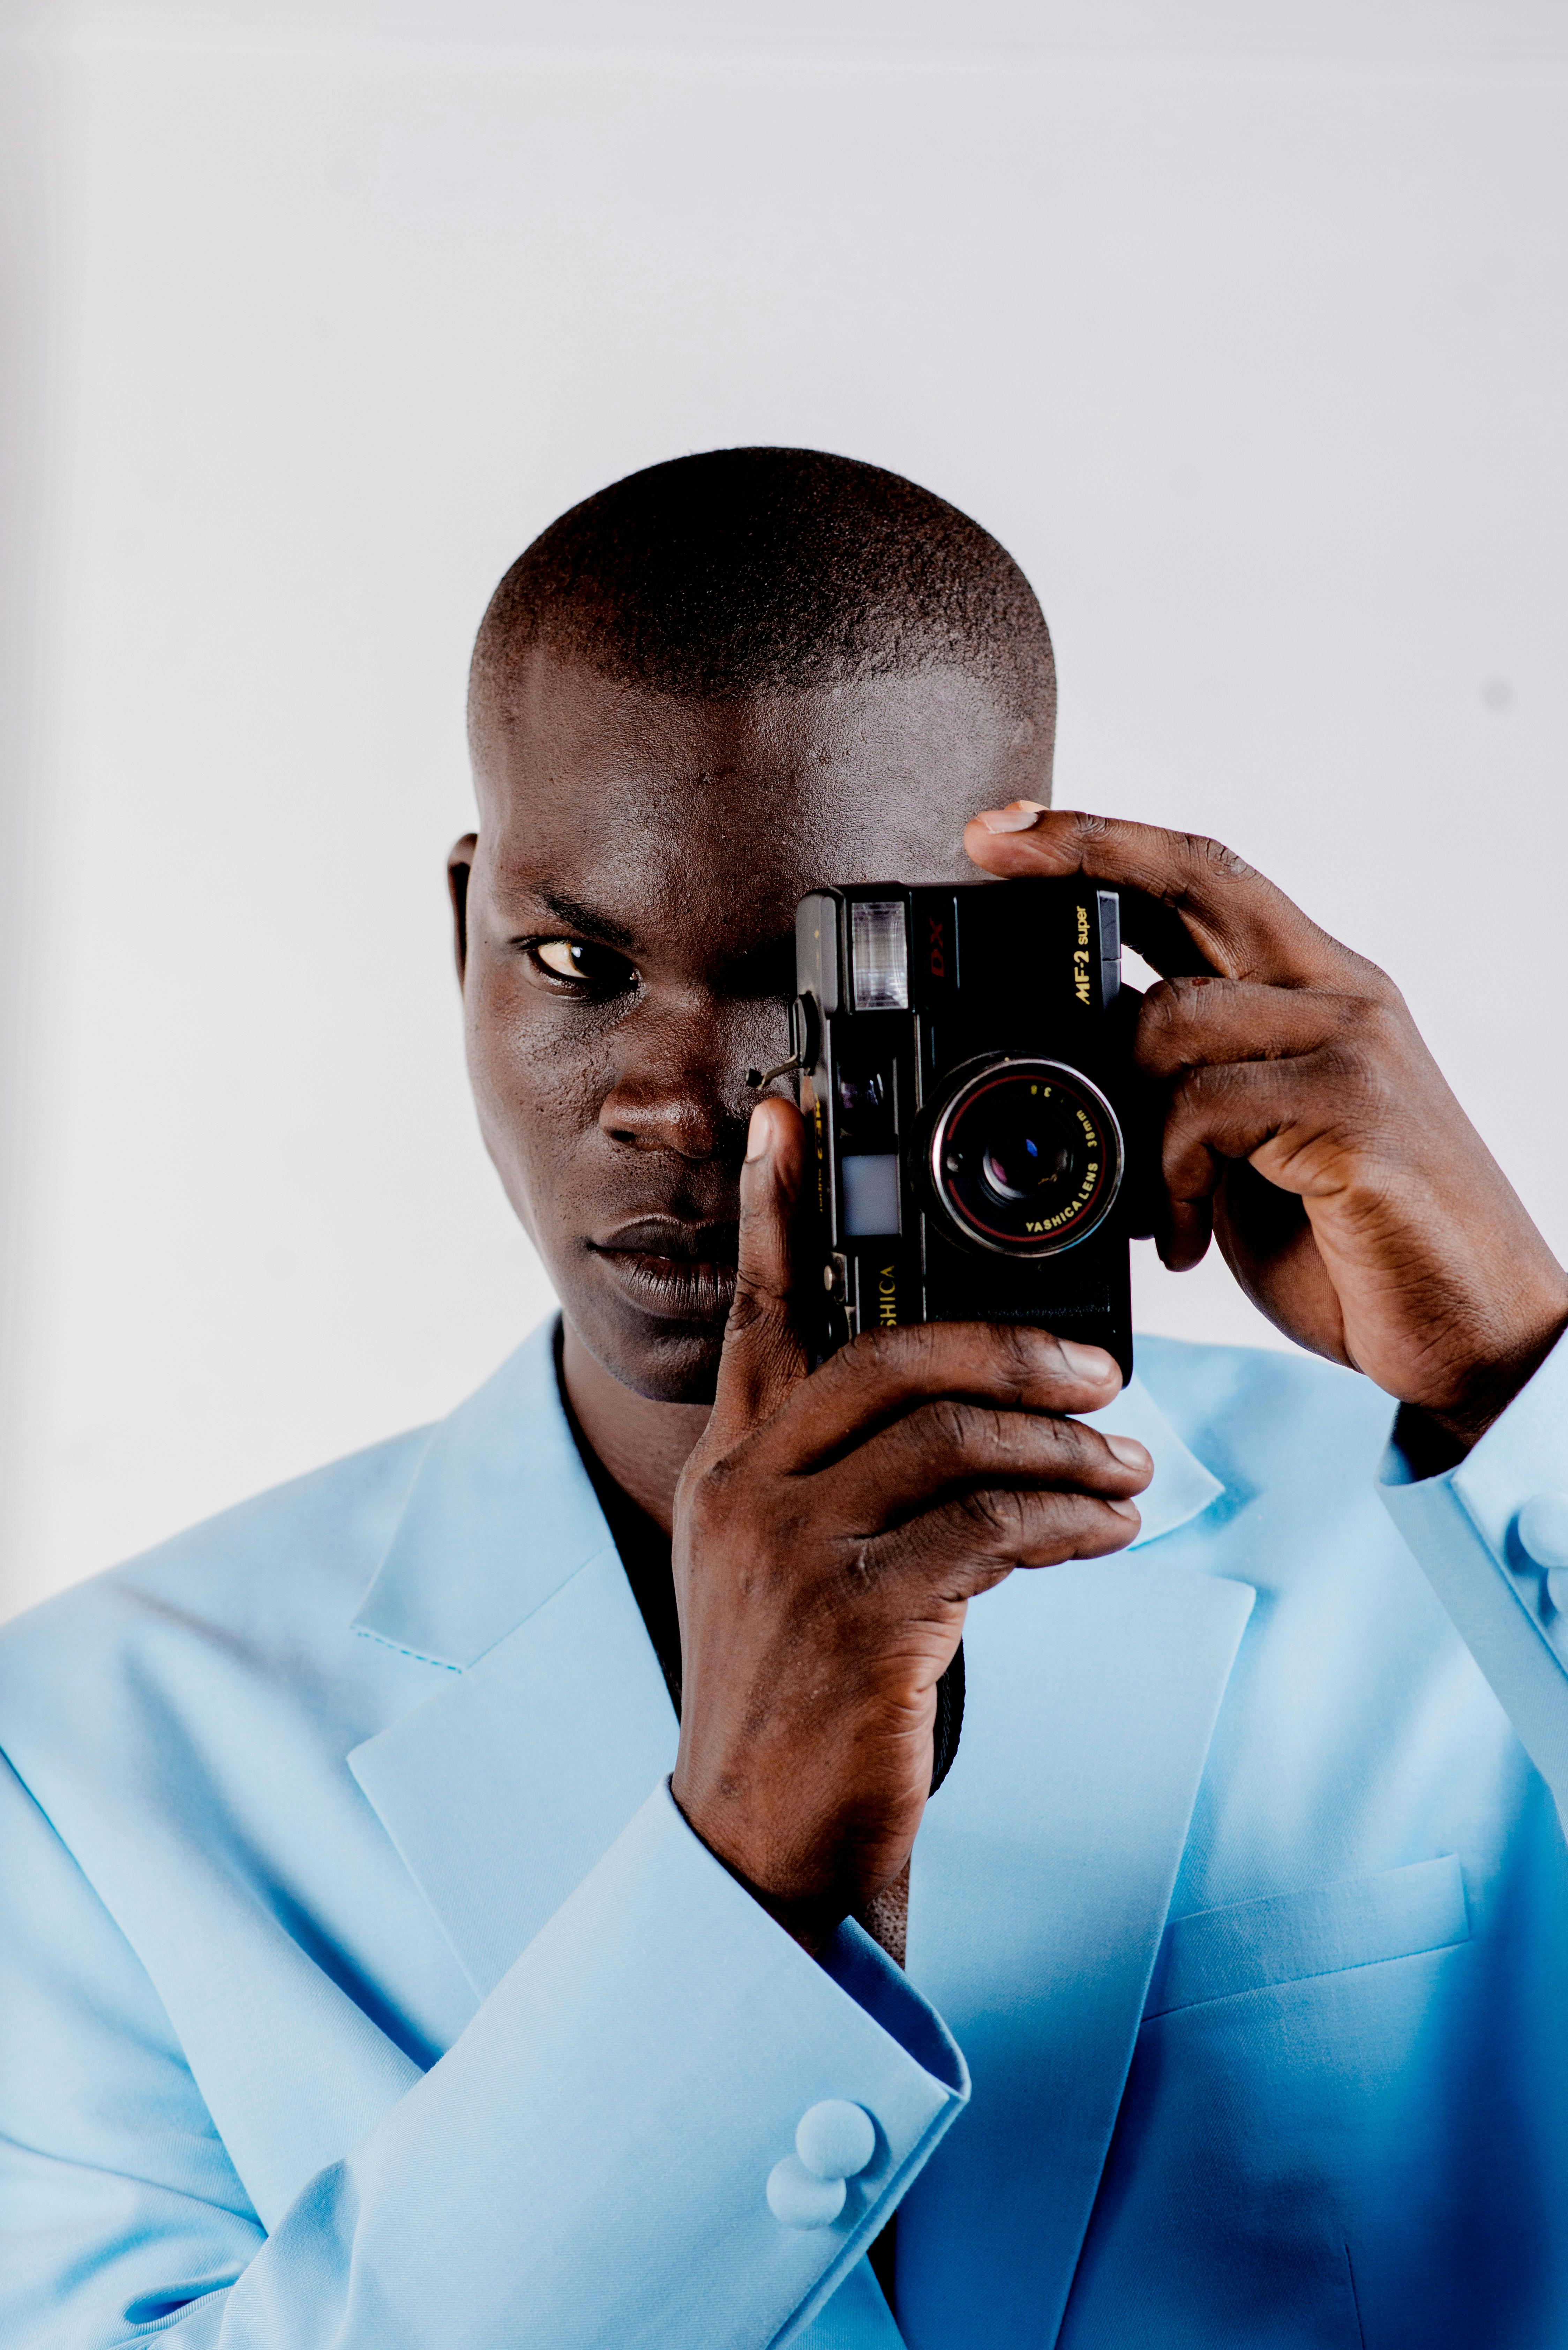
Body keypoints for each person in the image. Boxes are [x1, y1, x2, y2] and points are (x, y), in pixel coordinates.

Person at [3, 447, 1567, 2350]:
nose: (673, 1097)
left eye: (827, 976)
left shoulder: (1466, 1546)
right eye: (577, 964)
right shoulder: (82, 1767)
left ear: (1045, 987)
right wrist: (734, 1886)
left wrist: (1523, 1373)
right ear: (463, 935)